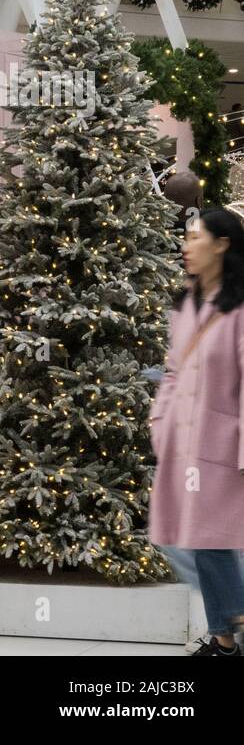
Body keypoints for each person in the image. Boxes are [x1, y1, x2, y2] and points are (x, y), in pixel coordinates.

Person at [148, 206, 244, 655]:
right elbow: (172, 370)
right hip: (184, 443)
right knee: (192, 540)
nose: (185, 246)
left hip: (226, 446)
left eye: (196, 238)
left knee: (209, 541)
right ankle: (225, 636)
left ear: (222, 245)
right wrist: (160, 422)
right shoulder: (186, 302)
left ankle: (228, 631)